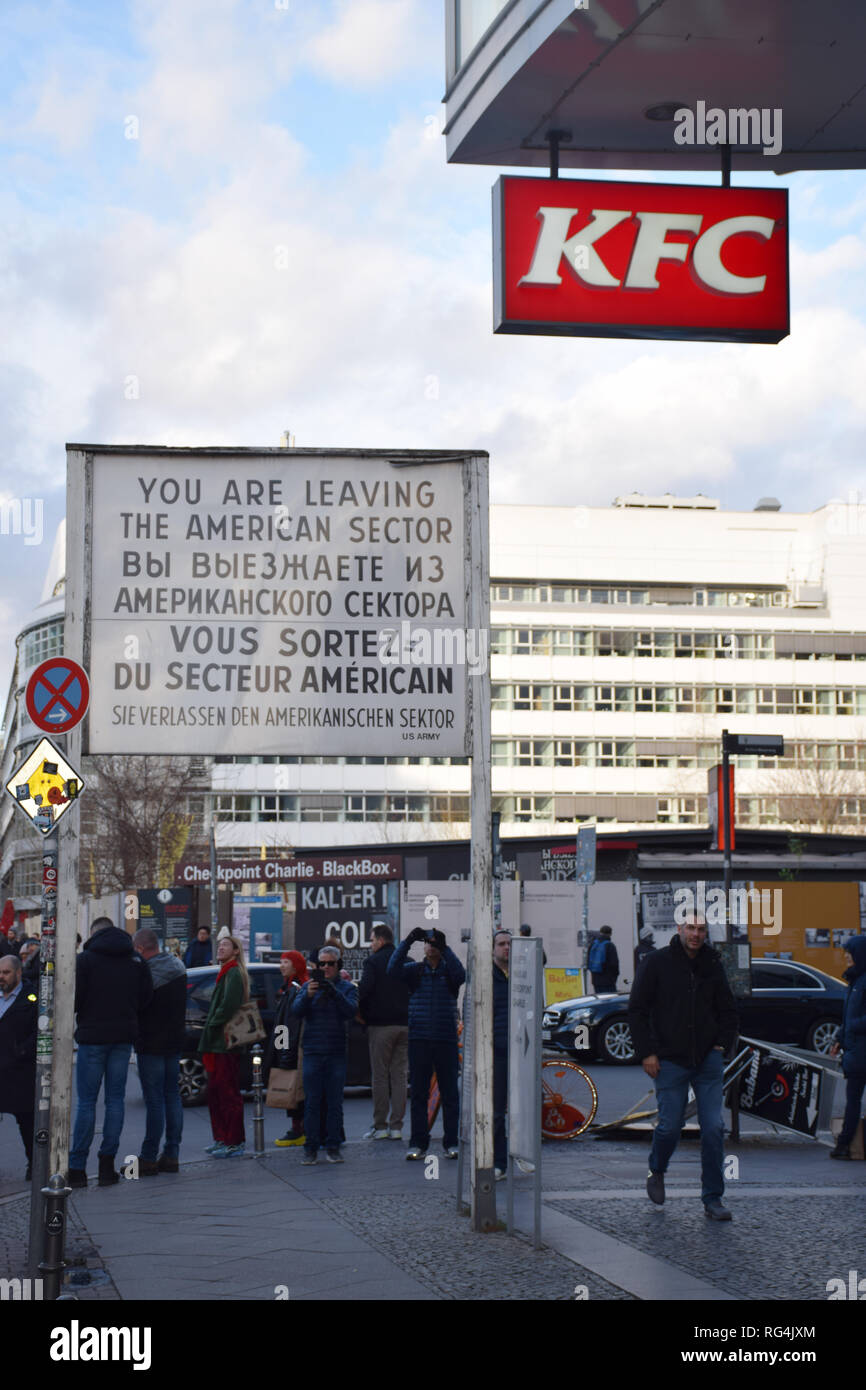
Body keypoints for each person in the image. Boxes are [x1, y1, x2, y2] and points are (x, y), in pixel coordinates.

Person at [629, 914, 738, 1221]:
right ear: (679, 930)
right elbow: (637, 1010)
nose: (696, 934)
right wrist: (647, 1052)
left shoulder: (712, 963)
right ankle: (657, 1170)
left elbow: (728, 1009)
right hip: (669, 1059)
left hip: (707, 1060)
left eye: (701, 929)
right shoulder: (656, 962)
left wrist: (721, 1045)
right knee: (669, 1126)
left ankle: (713, 1198)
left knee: (714, 1129)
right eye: (691, 928)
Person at [68, 916, 153, 1188]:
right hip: (123, 1037)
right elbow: (146, 997)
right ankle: (107, 1166)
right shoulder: (136, 961)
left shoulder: (86, 960)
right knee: (115, 1100)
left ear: (93, 934)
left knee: (86, 1102)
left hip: (92, 1037)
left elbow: (74, 999)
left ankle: (78, 1167)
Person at [388, 927, 466, 1161]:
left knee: (450, 1094)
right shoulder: (415, 970)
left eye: (435, 943)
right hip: (419, 1038)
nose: (430, 946)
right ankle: (418, 1143)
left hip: (446, 1038)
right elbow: (391, 970)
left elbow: (461, 975)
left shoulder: (449, 971)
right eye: (427, 943)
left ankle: (451, 1142)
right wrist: (408, 940)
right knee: (419, 1094)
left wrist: (445, 947)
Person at [291, 945, 358, 1164]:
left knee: (334, 1103)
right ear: (316, 966)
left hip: (336, 1051)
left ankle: (333, 1146)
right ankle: (310, 1148)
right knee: (312, 1102)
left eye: (331, 963)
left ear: (338, 966)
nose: (326, 967)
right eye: (322, 964)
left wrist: (333, 992)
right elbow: (296, 1011)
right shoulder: (308, 986)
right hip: (312, 1051)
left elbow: (351, 1011)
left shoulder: (347, 987)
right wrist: (308, 996)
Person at [132, 926, 187, 1176]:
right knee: (172, 1097)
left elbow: (138, 1006)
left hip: (151, 1043)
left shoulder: (145, 973)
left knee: (154, 1101)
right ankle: (172, 1154)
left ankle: (148, 1156)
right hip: (174, 1041)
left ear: (141, 948)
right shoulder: (178, 968)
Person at [198, 935, 249, 1158]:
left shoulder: (234, 973)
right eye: (219, 945)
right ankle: (221, 1138)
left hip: (225, 1043)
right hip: (216, 1043)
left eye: (225, 945)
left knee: (227, 1093)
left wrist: (212, 1023)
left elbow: (228, 1006)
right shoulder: (225, 972)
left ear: (236, 951)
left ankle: (234, 1140)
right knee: (215, 1093)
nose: (220, 948)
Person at [358, 923, 409, 1141]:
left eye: (371, 940)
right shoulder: (407, 961)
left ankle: (380, 1127)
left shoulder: (373, 962)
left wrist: (363, 1015)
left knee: (380, 1076)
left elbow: (363, 991)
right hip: (405, 1025)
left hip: (380, 1027)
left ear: (380, 940)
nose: (371, 945)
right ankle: (397, 1127)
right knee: (399, 1076)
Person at [0, 954, 37, 1179]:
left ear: (18, 973)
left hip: (19, 1071)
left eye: (6, 972)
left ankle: (34, 1164)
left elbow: (39, 1031)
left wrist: (22, 1050)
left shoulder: (30, 998)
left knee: (26, 1121)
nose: (1, 977)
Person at [829, 936, 866, 1159]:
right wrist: (839, 1039)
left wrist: (852, 1027)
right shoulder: (854, 982)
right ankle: (844, 1145)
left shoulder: (862, 983)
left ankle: (843, 1145)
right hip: (855, 1053)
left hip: (861, 1053)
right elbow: (846, 1016)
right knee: (852, 1101)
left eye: (850, 952)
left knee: (852, 1102)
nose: (846, 956)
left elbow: (853, 1019)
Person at [266, 951, 308, 1148]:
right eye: (281, 962)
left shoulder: (294, 989)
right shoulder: (289, 987)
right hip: (289, 1047)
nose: (281, 966)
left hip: (291, 1049)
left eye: (286, 962)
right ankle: (299, 1129)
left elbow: (288, 1025)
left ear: (296, 966)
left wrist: (283, 1051)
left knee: (295, 1092)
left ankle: (298, 1130)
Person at [493, 930, 510, 1179]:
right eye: (502, 944)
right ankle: (499, 1161)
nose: (507, 948)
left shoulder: (522, 972)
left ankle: (523, 1155)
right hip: (496, 1047)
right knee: (497, 1110)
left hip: (521, 1047)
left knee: (524, 1107)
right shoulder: (487, 975)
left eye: (510, 944)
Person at [588, 924, 619, 993]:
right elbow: (614, 964)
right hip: (608, 981)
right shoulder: (610, 945)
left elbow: (588, 961)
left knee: (599, 999)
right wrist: (615, 977)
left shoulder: (593, 944)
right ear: (610, 934)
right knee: (610, 1000)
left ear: (600, 932)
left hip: (596, 980)